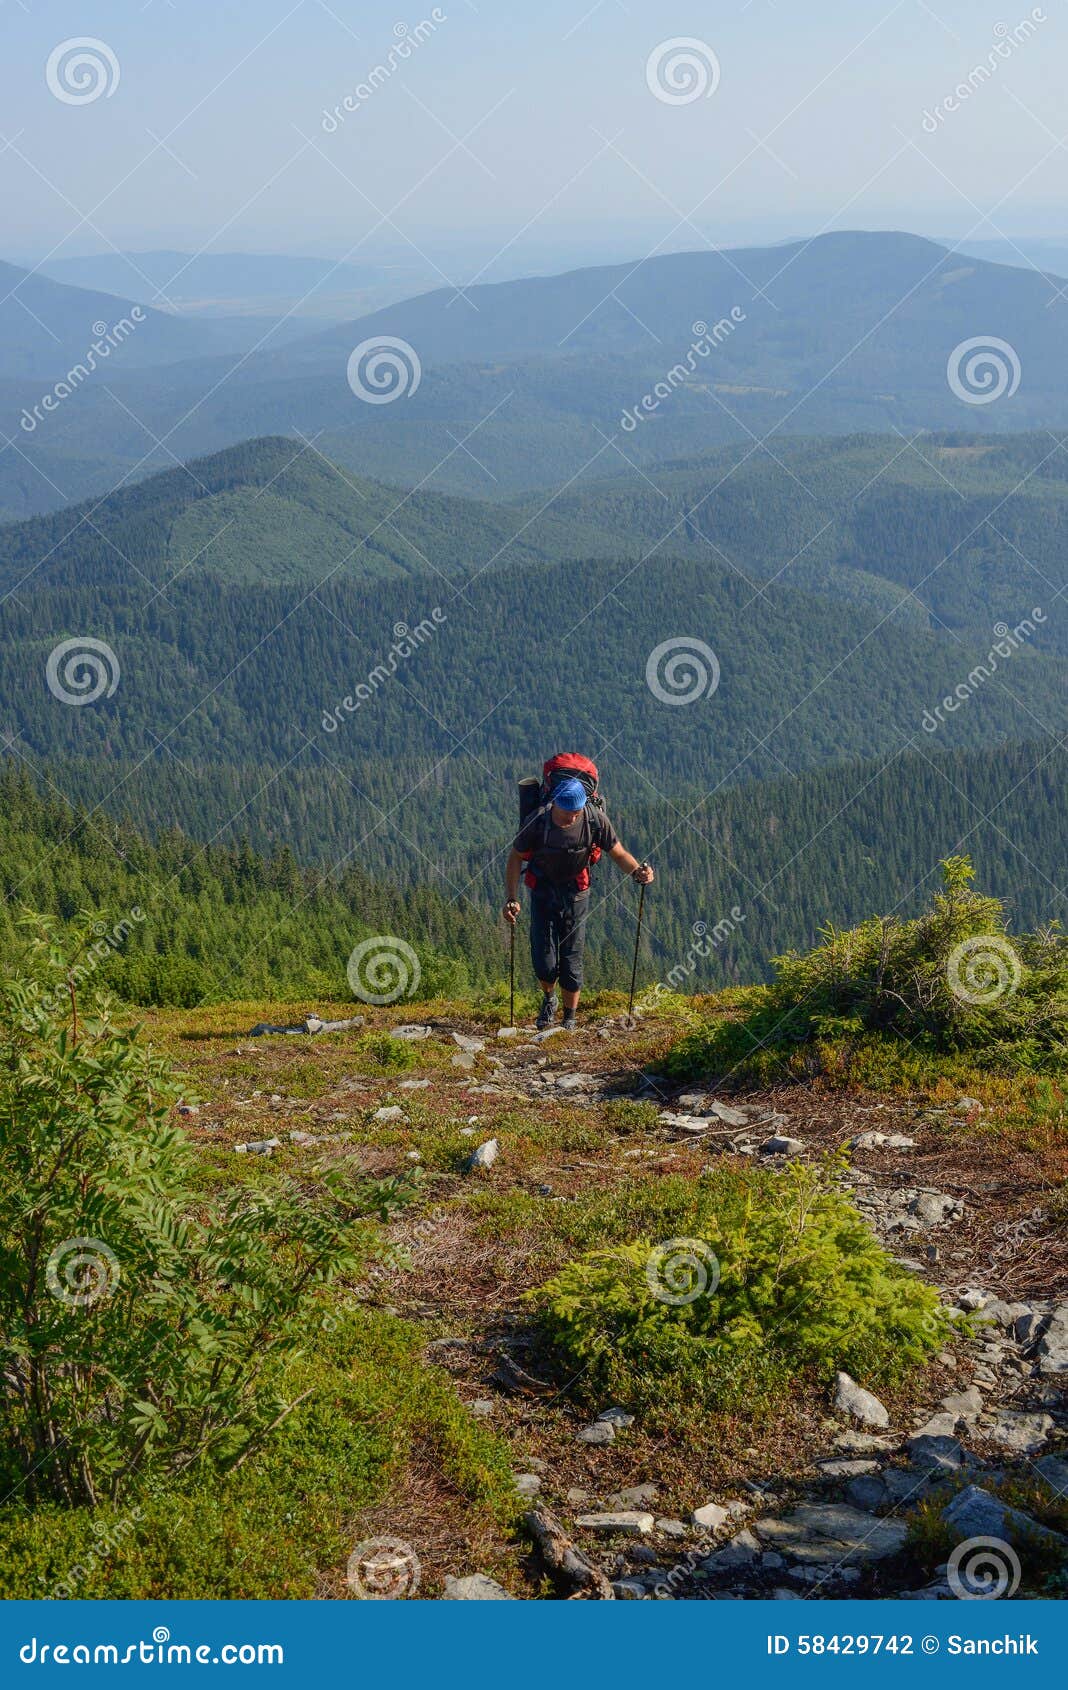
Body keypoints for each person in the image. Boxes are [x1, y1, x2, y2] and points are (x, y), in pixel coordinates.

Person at [503, 775, 654, 1031]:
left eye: (576, 812)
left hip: (577, 892)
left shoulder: (594, 818)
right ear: (555, 804)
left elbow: (618, 853)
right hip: (542, 890)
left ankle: (569, 1017)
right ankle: (549, 1000)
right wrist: (511, 897)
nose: (572, 817)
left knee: (572, 957)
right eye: (567, 813)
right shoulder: (538, 821)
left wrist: (639, 871)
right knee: (544, 957)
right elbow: (516, 858)